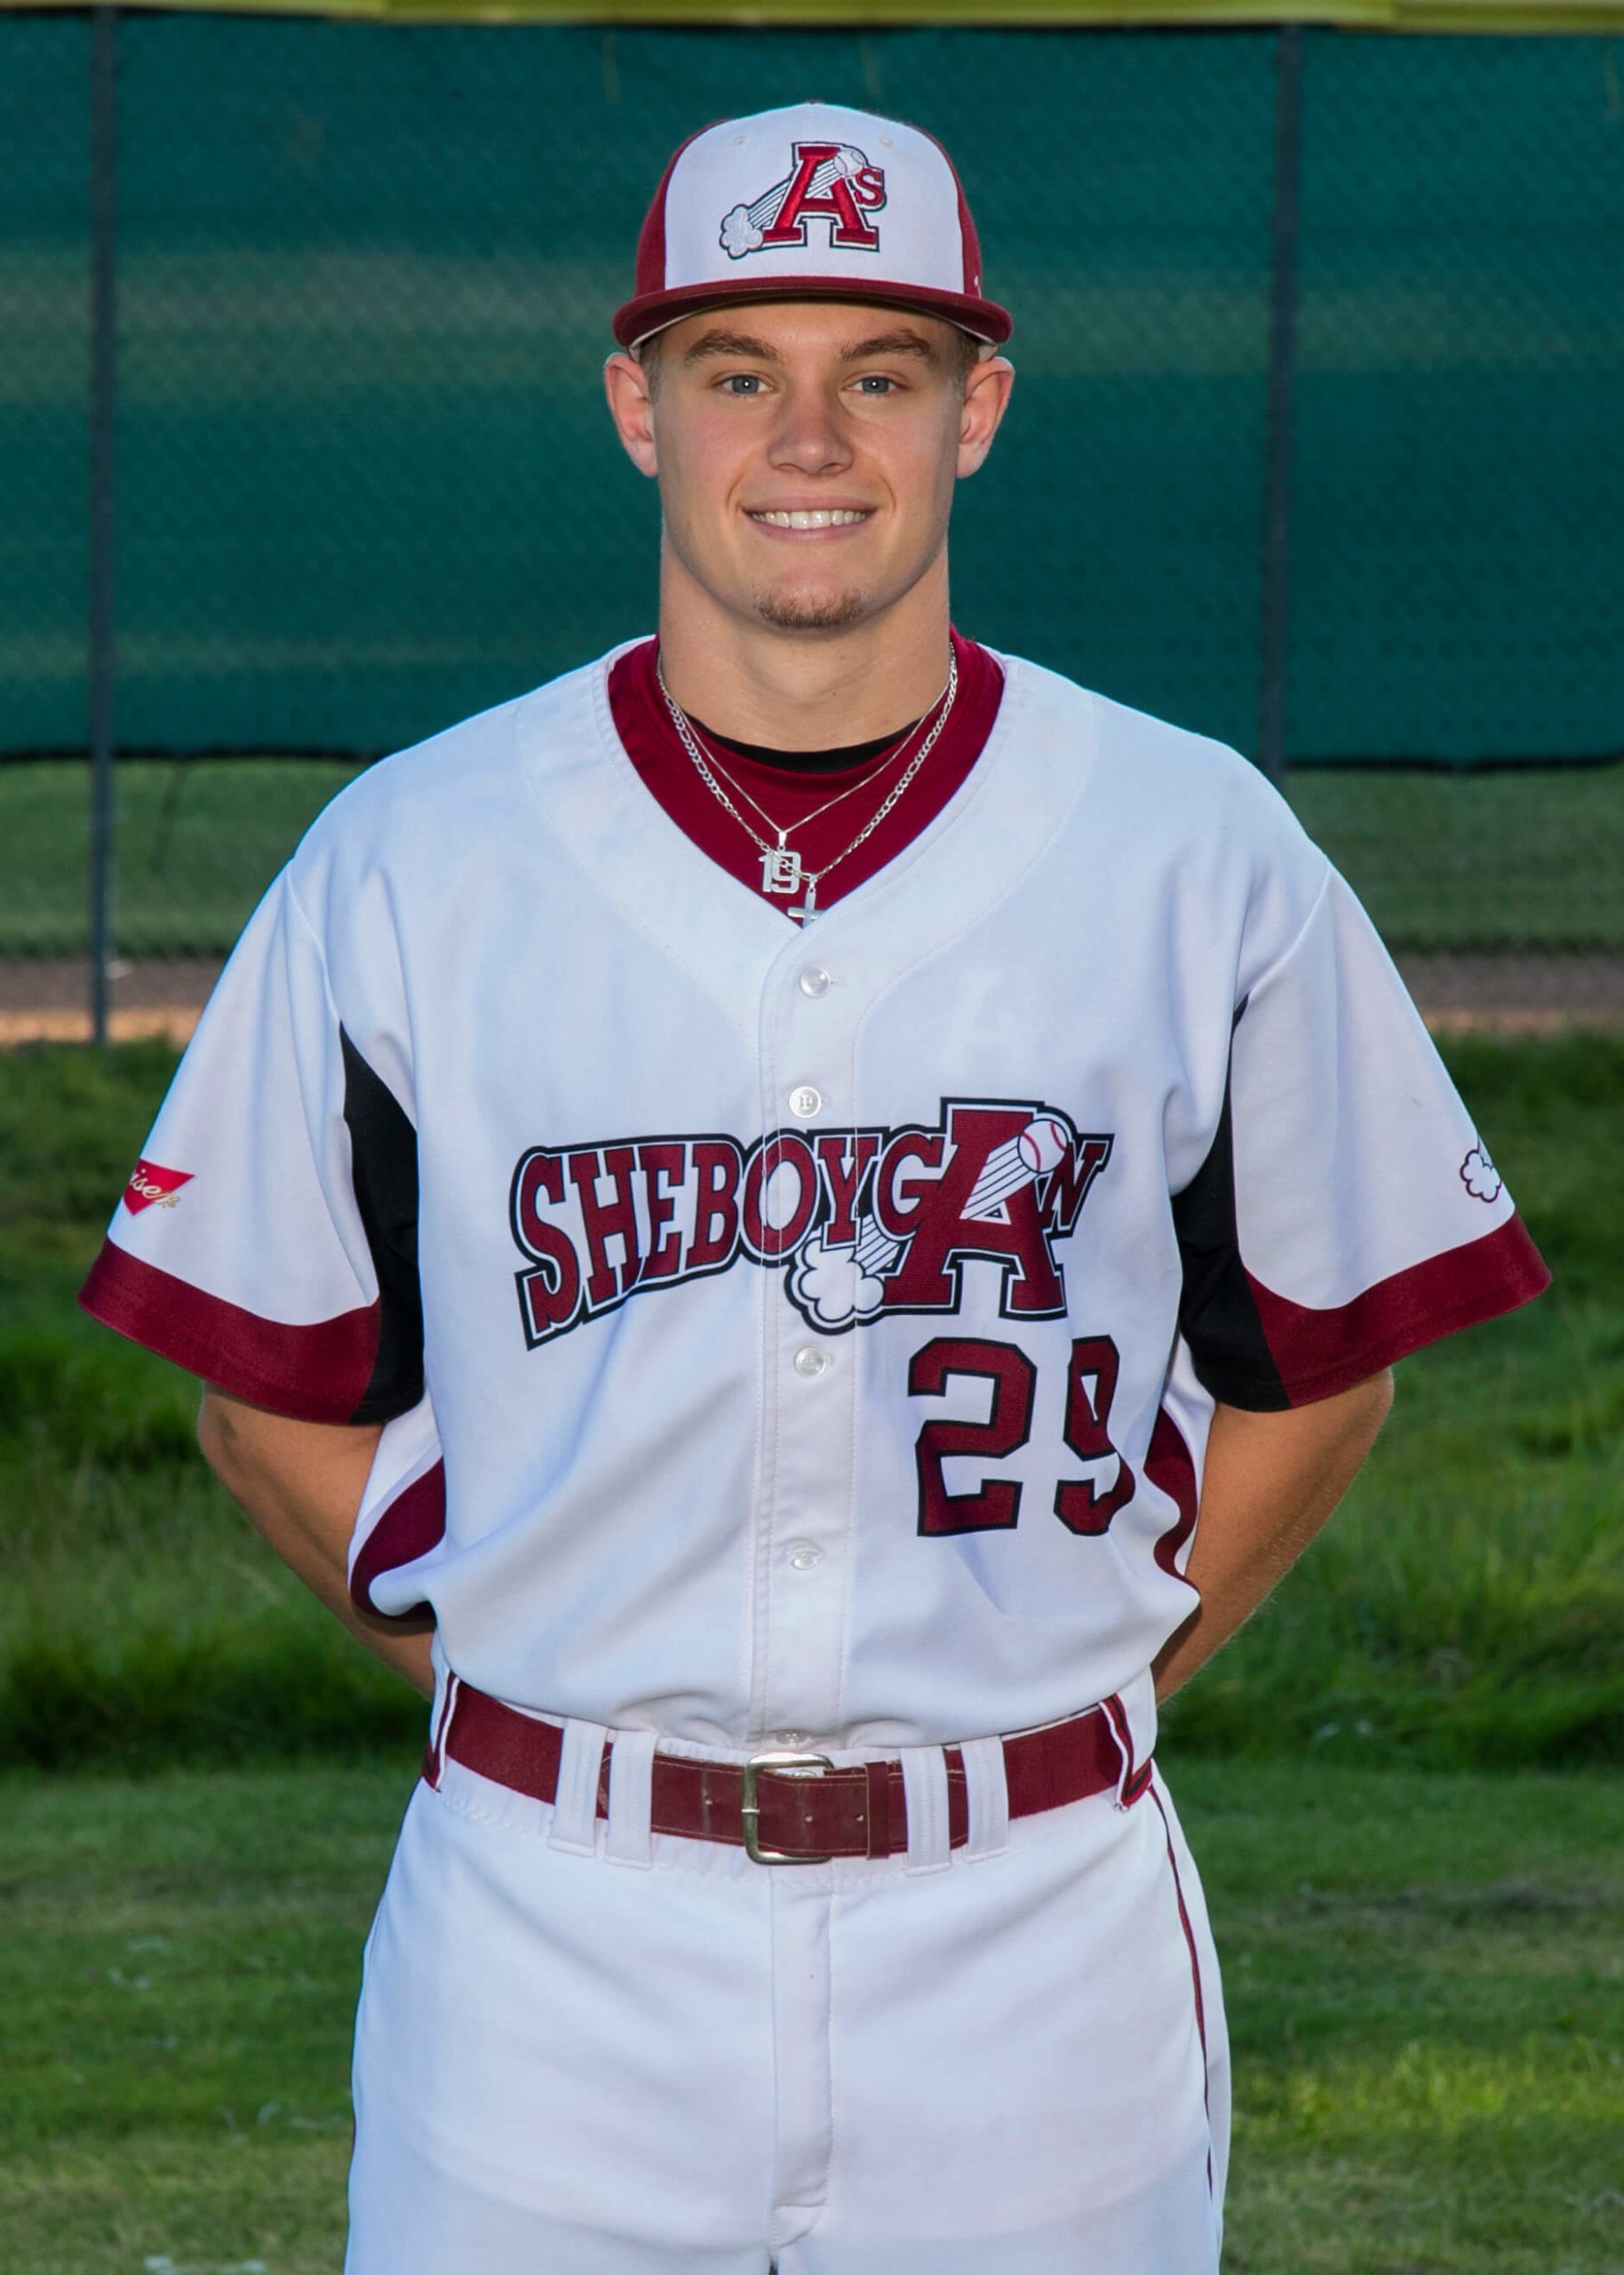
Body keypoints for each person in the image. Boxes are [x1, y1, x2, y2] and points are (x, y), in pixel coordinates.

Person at [78, 100, 1548, 2274]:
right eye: (736, 368)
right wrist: (518, 1651)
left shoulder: (1189, 843)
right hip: (546, 1939)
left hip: (1031, 1941)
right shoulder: (415, 855)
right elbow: (262, 1385)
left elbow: (1318, 1369)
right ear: (632, 405)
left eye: (878, 370)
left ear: (979, 409)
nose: (810, 438)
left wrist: (1093, 1675)